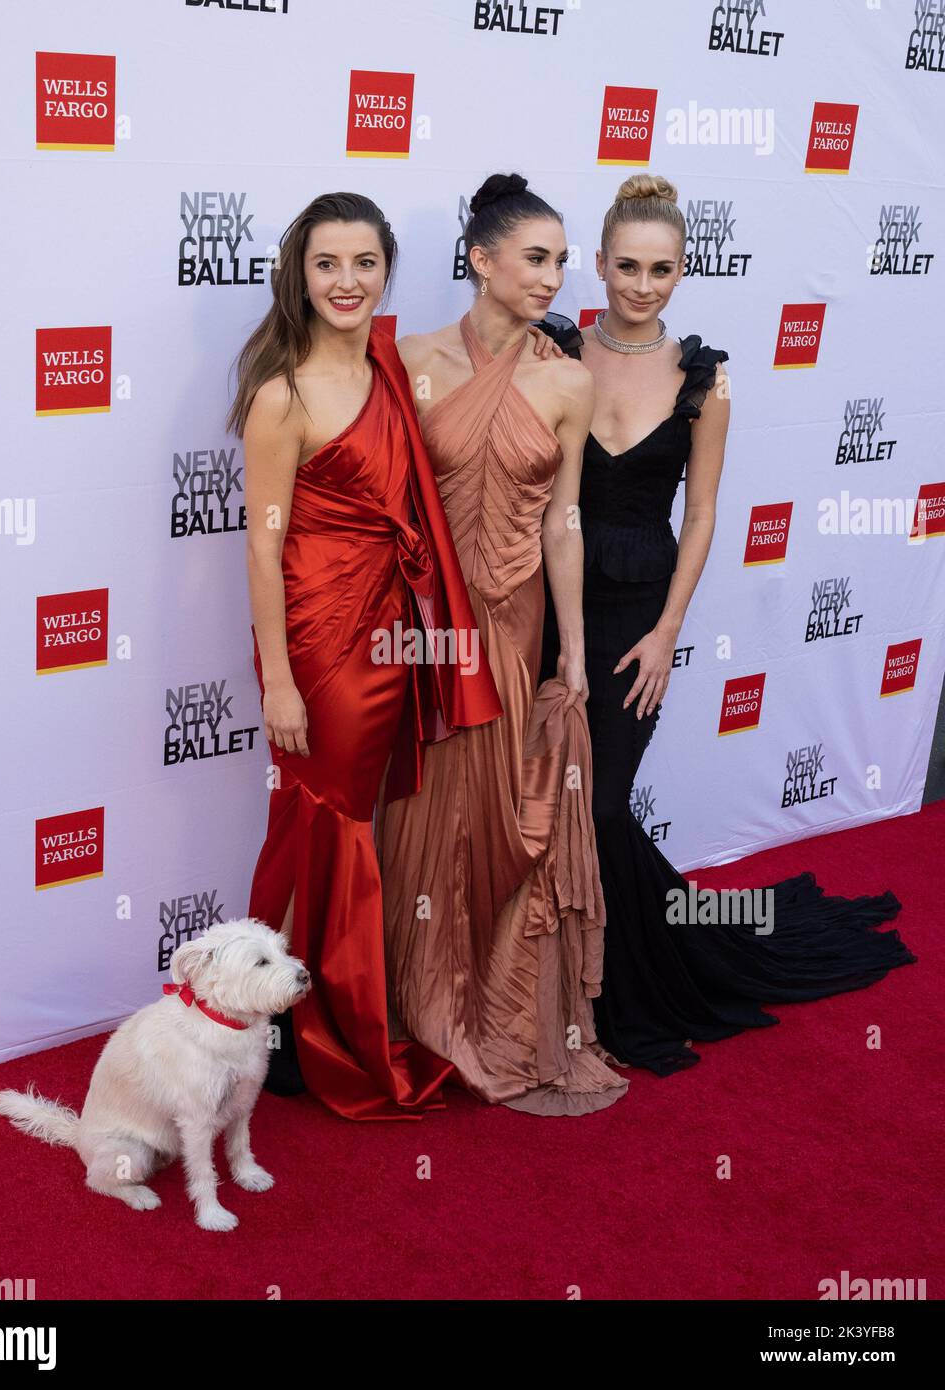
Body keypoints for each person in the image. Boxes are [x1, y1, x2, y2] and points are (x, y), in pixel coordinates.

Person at [534, 173, 916, 1076]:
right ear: (598, 265)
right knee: (550, 802)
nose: (641, 285)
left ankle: (633, 983)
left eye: (660, 269)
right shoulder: (554, 356)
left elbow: (701, 515)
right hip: (547, 603)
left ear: (683, 271)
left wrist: (669, 630)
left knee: (601, 799)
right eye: (625, 266)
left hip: (636, 611)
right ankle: (563, 979)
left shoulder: (706, 380)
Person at [226, 192, 503, 1120]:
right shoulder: (284, 395)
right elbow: (263, 545)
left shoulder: (393, 365)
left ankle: (272, 1023)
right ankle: (324, 1030)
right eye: (326, 264)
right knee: (328, 826)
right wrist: (277, 679)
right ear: (298, 278)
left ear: (387, 270)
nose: (347, 282)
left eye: (363, 263)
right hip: (319, 640)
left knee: (333, 829)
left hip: (391, 630)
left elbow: (488, 350)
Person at [375, 174, 630, 1116]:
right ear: (479, 260)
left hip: (518, 629)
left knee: (501, 828)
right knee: (421, 818)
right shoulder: (407, 359)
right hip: (427, 629)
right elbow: (386, 510)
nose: (555, 277)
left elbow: (564, 520)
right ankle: (415, 1011)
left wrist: (571, 650)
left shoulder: (568, 380)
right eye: (536, 257)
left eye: (562, 260)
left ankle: (496, 1008)